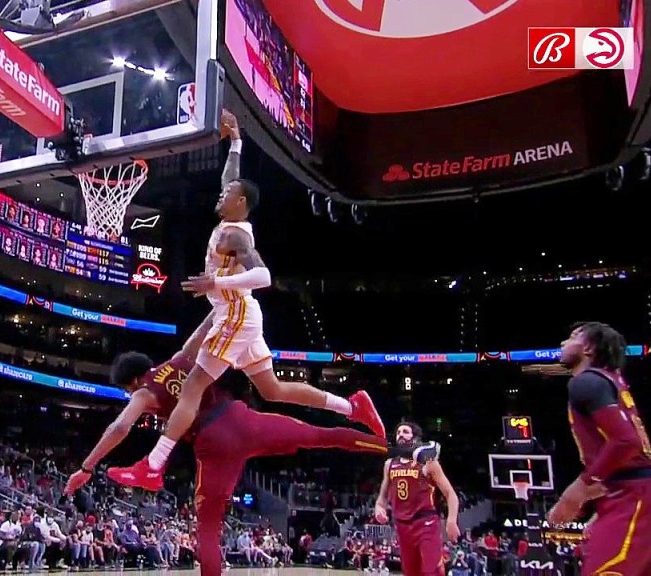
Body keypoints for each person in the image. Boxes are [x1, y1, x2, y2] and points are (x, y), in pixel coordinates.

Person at [107, 109, 385, 492]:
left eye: (228, 195)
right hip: (241, 316)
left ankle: (153, 466)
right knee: (272, 391)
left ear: (241, 204)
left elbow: (263, 276)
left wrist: (218, 280)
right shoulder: (228, 219)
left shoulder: (237, 238)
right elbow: (230, 177)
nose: (221, 195)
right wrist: (235, 141)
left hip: (236, 315)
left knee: (192, 388)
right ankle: (352, 407)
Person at [64, 316, 436, 576]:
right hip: (243, 419)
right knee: (320, 436)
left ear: (130, 382)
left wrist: (86, 467)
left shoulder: (143, 393)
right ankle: (396, 449)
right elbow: (208, 322)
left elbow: (119, 427)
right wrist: (224, 293)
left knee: (207, 529)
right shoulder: (179, 359)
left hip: (213, 444)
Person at [548, 322, 651, 576]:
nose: (563, 343)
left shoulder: (585, 382)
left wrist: (579, 490)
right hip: (640, 493)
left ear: (588, 347)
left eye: (572, 337)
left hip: (637, 494)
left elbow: (626, 442)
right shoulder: (609, 381)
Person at [374, 421, 461, 576]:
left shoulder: (428, 463)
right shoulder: (389, 464)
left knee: (431, 570)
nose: (400, 434)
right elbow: (382, 497)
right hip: (402, 525)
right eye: (398, 432)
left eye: (405, 431)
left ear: (416, 438)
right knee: (411, 572)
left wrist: (451, 520)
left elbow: (450, 494)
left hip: (425, 522)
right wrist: (379, 508)